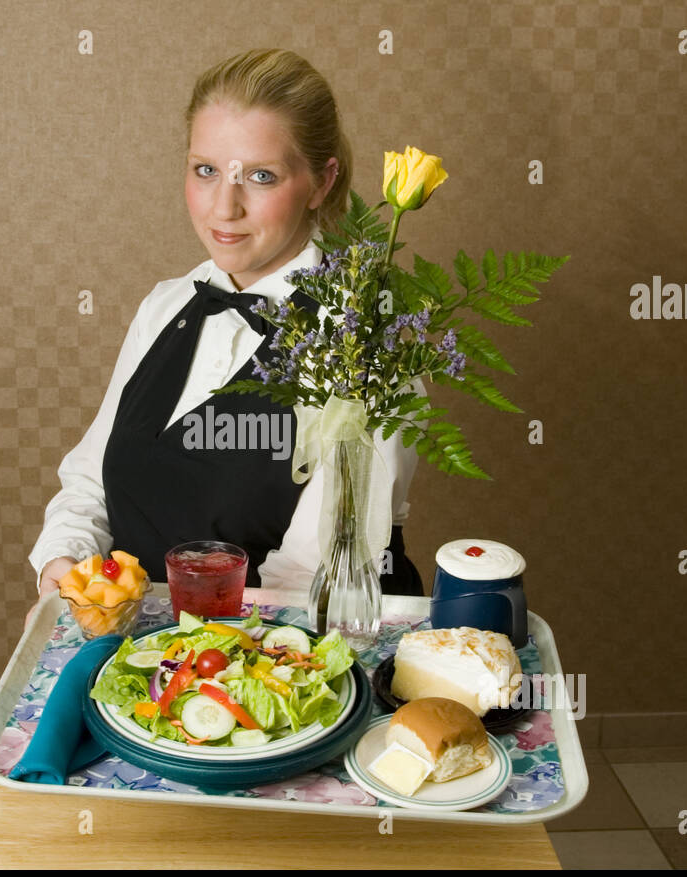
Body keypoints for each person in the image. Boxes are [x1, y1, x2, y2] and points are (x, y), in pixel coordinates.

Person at [25, 49, 422, 630]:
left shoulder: (365, 335)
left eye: (261, 177)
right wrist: (63, 572)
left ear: (321, 182)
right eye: (205, 170)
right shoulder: (166, 303)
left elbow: (314, 570)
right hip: (137, 648)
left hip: (286, 661)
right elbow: (91, 482)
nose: (223, 206)